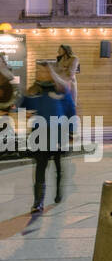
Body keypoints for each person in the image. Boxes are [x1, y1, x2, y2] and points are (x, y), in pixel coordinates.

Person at [20, 61, 76, 213]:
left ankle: (58, 191)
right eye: (38, 71)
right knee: (40, 167)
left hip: (58, 133)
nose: (40, 74)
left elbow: (71, 111)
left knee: (58, 166)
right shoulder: (33, 91)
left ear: (51, 73)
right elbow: (22, 106)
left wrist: (71, 131)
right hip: (39, 134)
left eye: (43, 71)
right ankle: (38, 202)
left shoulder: (61, 91)